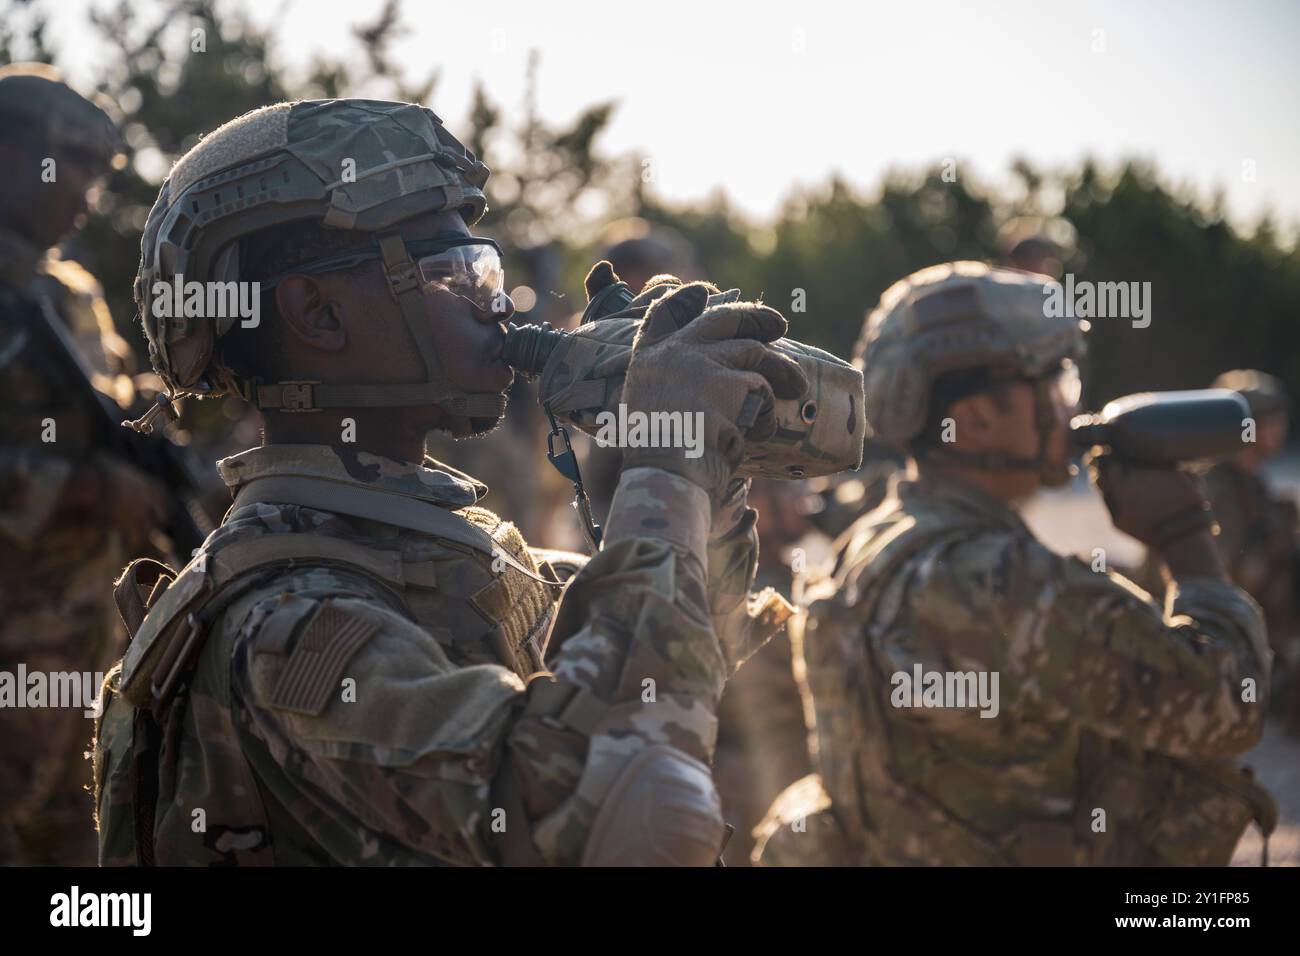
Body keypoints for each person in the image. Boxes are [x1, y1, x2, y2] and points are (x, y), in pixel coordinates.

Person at [93, 98, 808, 866]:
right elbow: (624, 802)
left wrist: (714, 468)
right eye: (455, 276)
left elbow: (685, 648)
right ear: (318, 314)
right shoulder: (290, 620)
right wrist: (668, 460)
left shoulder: (432, 550)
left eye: (489, 270)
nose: (496, 306)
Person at [755, 261, 1275, 866]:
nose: (1069, 408)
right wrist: (1184, 538)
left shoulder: (870, 545)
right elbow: (1229, 706)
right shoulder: (1007, 582)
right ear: (975, 420)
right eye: (1054, 385)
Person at [0, 63, 168, 865]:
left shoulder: (68, 291)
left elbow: (104, 411)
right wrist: (87, 488)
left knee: (79, 850)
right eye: (71, 162)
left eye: (102, 171)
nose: (89, 190)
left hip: (82, 642)